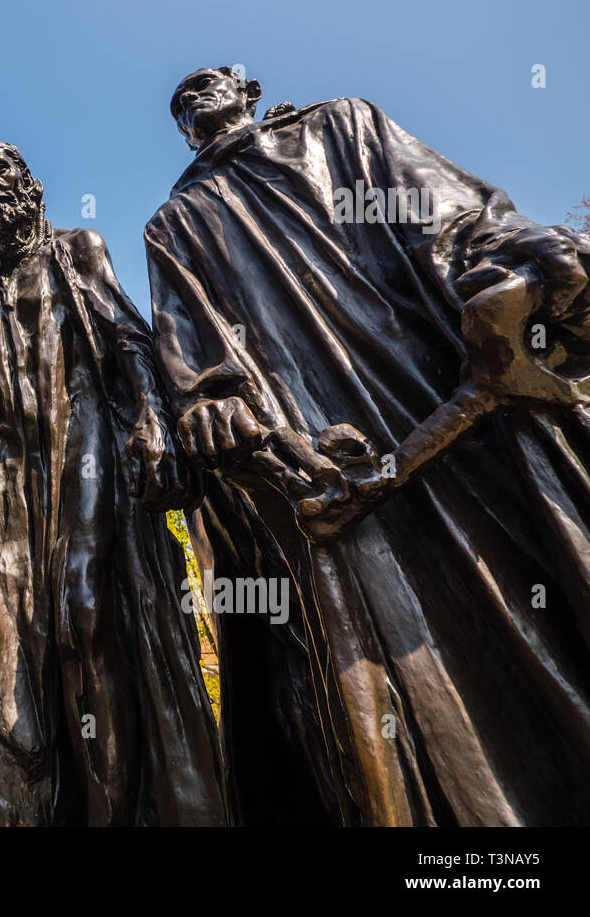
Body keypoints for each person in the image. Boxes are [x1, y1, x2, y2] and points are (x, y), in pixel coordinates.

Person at [145, 66, 590, 825]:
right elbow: (195, 372)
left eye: (206, 84)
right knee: (404, 695)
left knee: (547, 603)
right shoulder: (174, 224)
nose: (192, 101)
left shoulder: (342, 125)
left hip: (449, 396)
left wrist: (517, 259)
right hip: (334, 470)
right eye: (179, 103)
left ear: (247, 90)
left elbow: (450, 218)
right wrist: (218, 415)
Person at [0, 140, 227, 826]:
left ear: (30, 182)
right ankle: (39, 787)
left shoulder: (76, 249)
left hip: (83, 447)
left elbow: (127, 337)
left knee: (83, 607)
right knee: (18, 639)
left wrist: (149, 412)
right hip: (7, 473)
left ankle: (114, 804)